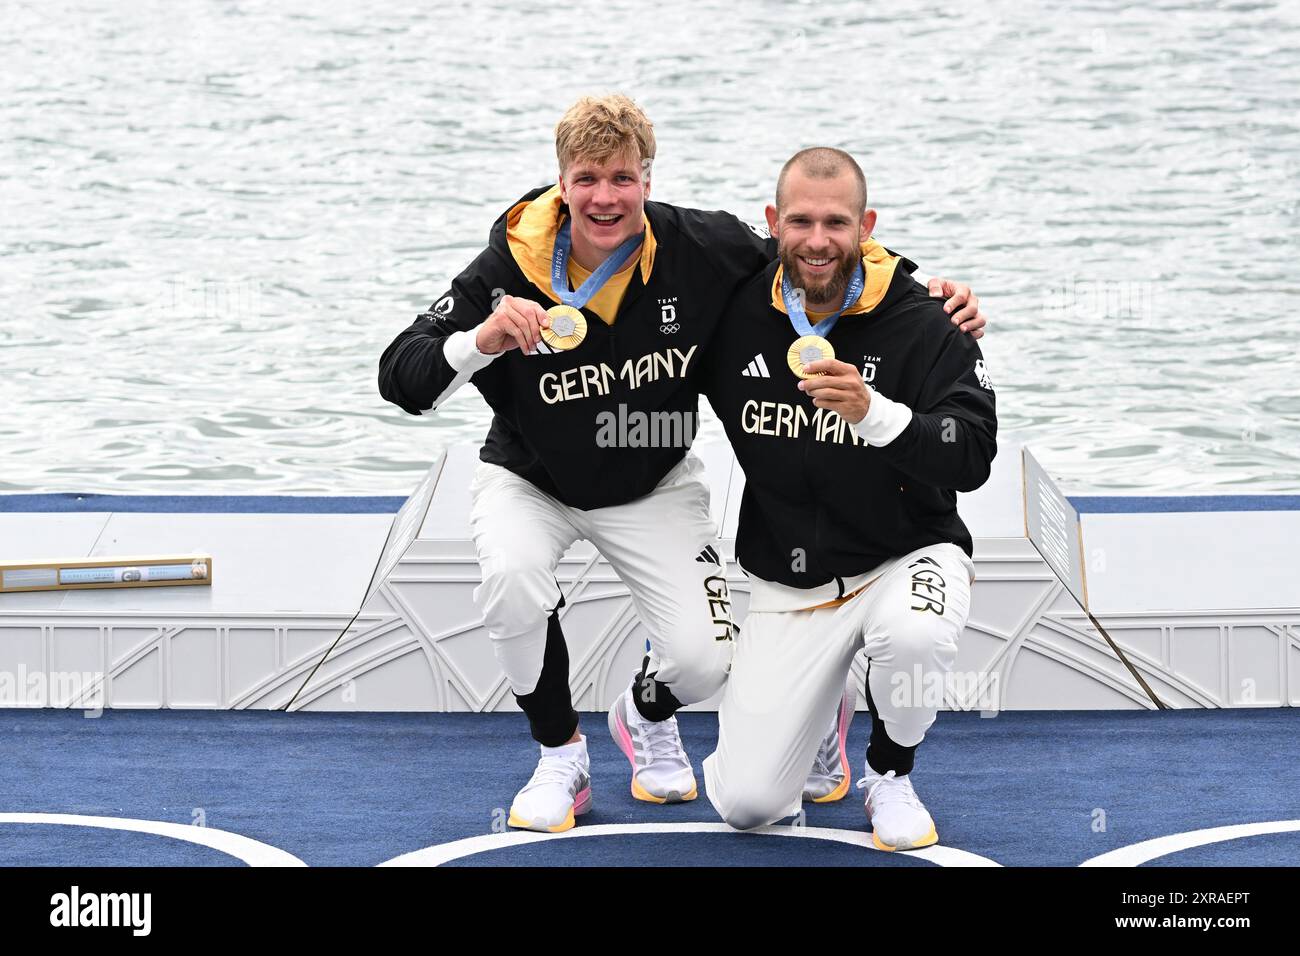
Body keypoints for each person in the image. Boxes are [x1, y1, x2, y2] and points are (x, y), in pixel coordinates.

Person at [378, 95, 986, 833]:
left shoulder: (701, 246)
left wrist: (930, 293)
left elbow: (816, 257)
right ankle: (559, 757)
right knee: (511, 578)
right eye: (587, 178)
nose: (605, 197)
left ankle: (646, 712)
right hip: (531, 479)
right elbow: (400, 375)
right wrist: (481, 341)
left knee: (704, 661)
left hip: (650, 481)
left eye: (624, 178)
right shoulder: (510, 263)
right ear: (561, 182)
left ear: (648, 178)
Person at [700, 147, 997, 850]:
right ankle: (822, 707)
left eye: (837, 223)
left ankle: (889, 773)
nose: (817, 241)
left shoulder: (927, 318)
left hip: (906, 554)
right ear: (772, 222)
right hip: (790, 580)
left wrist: (875, 413)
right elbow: (647, 263)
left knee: (915, 636)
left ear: (867, 226)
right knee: (746, 805)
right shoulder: (733, 309)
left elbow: (973, 452)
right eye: (799, 221)